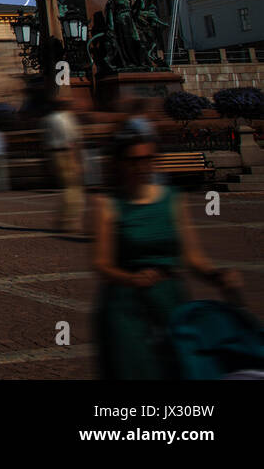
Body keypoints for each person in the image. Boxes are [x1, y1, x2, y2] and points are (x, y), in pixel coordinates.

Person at [93, 118, 243, 379]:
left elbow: (193, 257)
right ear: (121, 164)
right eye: (134, 161)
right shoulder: (107, 205)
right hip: (126, 306)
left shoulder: (173, 200)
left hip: (169, 300)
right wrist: (131, 278)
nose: (142, 167)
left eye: (148, 159)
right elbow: (101, 264)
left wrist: (217, 275)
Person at [44, 95, 85, 233]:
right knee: (73, 188)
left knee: (68, 187)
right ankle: (69, 219)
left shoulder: (48, 119)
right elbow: (74, 139)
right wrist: (77, 160)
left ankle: (63, 218)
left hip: (55, 154)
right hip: (67, 153)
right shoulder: (67, 117)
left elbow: (46, 141)